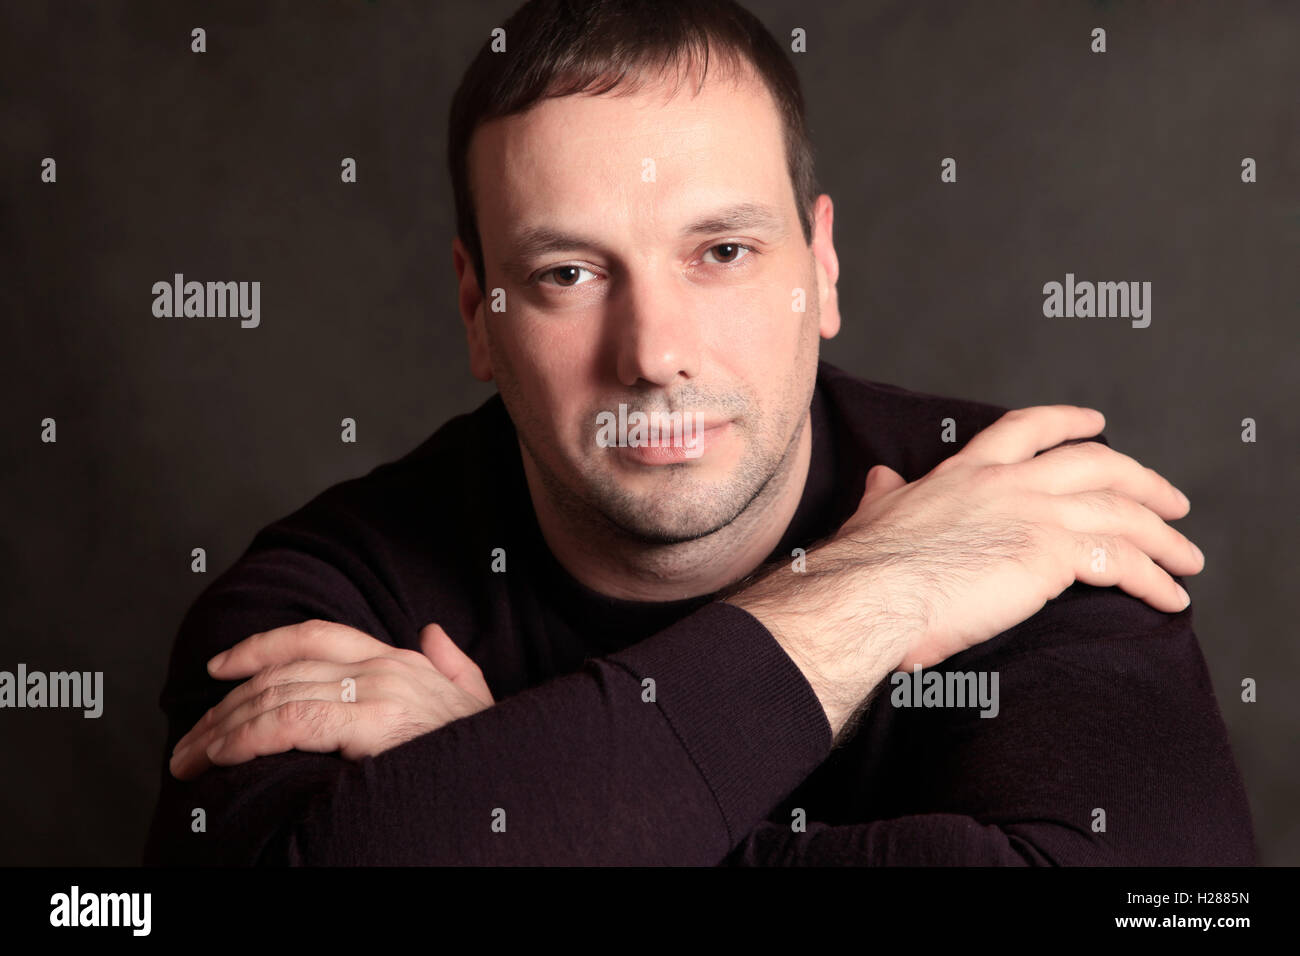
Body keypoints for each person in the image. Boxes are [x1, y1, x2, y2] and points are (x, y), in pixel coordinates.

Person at [144, 0, 1254, 865]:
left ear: (819, 269)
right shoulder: (316, 604)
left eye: (721, 251)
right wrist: (857, 596)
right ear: (476, 307)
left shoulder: (1024, 515)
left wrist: (497, 779)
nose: (654, 351)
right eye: (567, 273)